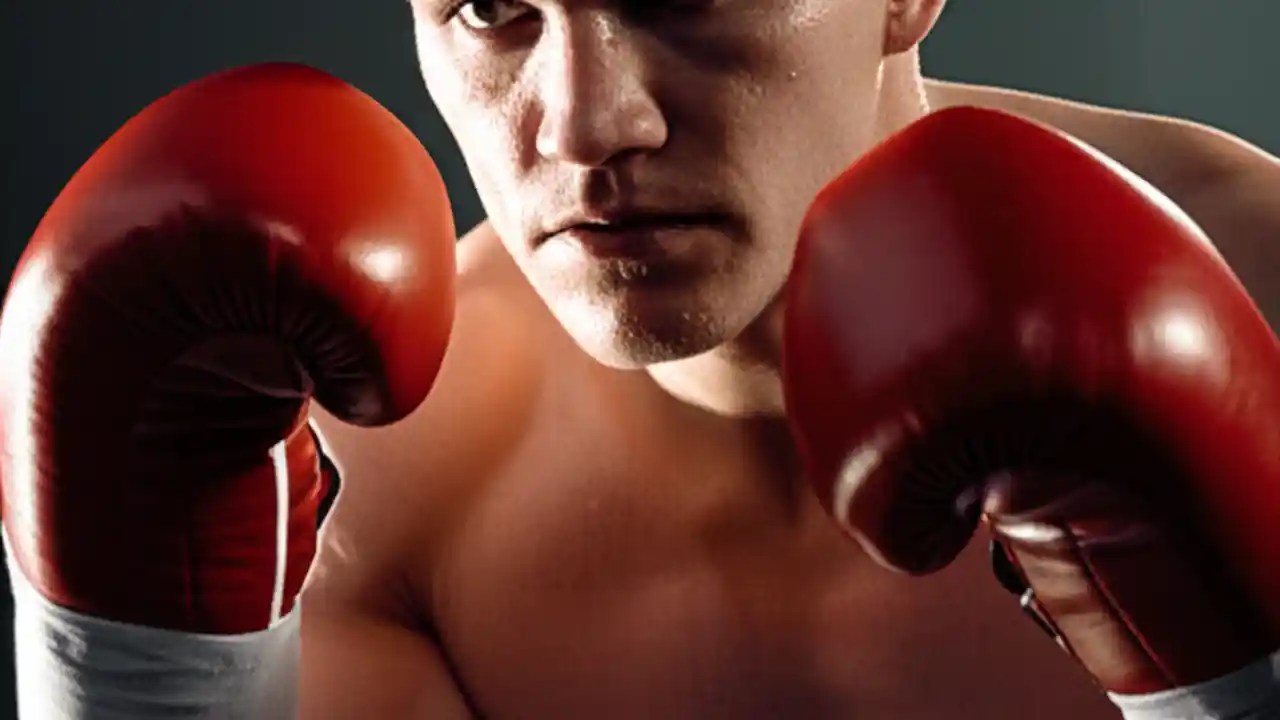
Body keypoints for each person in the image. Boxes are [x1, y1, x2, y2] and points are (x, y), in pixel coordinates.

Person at [2, 1, 1277, 718]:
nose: (585, 122)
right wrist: (134, 684)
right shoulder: (381, 482)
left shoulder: (1261, 296)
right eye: (495, 9)